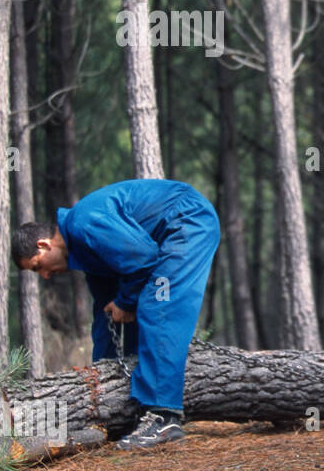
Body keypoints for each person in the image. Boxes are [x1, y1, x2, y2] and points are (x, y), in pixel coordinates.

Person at [13, 179, 221, 449]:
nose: (45, 275)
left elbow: (143, 257)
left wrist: (125, 301)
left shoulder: (84, 224)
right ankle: (141, 409)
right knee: (131, 306)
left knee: (157, 305)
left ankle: (163, 418)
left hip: (186, 222)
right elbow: (105, 312)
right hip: (169, 233)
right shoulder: (85, 252)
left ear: (44, 245)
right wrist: (100, 375)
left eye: (38, 266)